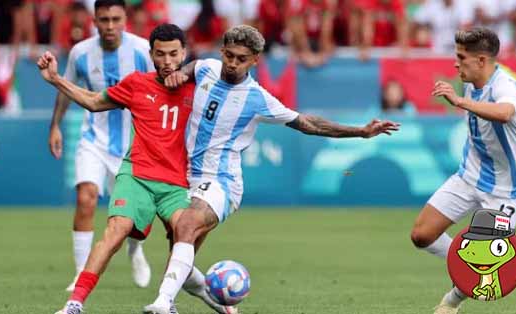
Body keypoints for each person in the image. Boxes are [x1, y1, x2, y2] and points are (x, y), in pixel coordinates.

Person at [142, 24, 400, 314]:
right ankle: (221, 304)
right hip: (184, 177)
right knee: (181, 257)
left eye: (241, 59)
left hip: (222, 182)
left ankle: (164, 303)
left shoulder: (257, 97)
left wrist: (361, 132)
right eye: (229, 55)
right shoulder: (207, 68)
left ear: (255, 61)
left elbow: (309, 124)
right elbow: (193, 67)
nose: (232, 64)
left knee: (186, 227)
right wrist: (181, 73)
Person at [39, 23, 239, 314]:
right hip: (137, 176)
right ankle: (74, 304)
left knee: (184, 242)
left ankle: (178, 301)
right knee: (115, 231)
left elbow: (234, 94)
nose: (168, 62)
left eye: (174, 54)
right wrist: (56, 78)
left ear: (185, 53)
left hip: (178, 183)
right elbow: (94, 102)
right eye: (160, 54)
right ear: (151, 55)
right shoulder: (137, 83)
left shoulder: (201, 89)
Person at [409, 27, 516, 314]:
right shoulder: (471, 82)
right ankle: (469, 262)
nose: (456, 63)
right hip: (469, 177)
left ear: (481, 60)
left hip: (507, 189)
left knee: (487, 260)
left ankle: (451, 302)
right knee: (421, 235)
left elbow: (504, 113)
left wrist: (459, 101)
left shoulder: (506, 85)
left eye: (461, 57)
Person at [47, 0, 152, 292]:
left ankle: (135, 250)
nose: (109, 26)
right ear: (94, 20)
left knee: (132, 216)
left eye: (115, 19)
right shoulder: (81, 53)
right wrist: (55, 125)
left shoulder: (143, 51)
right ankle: (81, 273)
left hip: (135, 144)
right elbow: (66, 90)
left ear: (125, 19)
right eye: (103, 20)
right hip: (94, 139)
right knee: (86, 197)